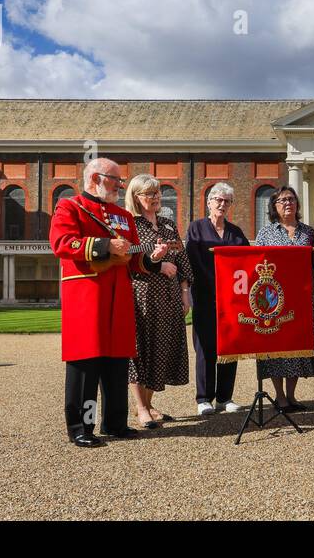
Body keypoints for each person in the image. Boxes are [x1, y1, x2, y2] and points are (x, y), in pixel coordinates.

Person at [51, 158, 171, 447]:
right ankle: (83, 427)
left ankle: (115, 422)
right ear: (95, 178)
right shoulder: (70, 206)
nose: (120, 185)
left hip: (119, 296)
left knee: (117, 361)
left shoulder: (123, 216)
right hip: (87, 295)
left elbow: (131, 259)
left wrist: (151, 259)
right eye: (115, 180)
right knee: (87, 362)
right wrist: (104, 245)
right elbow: (62, 242)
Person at [124, 174, 194, 428]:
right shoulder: (131, 224)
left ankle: (149, 403)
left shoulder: (167, 224)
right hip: (142, 295)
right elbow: (130, 261)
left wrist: (185, 292)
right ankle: (140, 407)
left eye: (157, 193)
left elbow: (182, 259)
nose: (155, 198)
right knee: (140, 348)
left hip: (169, 295)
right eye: (149, 193)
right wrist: (158, 264)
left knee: (161, 348)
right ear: (136, 197)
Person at [254, 185, 314, 412]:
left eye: (291, 199)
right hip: (274, 298)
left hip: (301, 296)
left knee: (298, 343)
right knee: (277, 345)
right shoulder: (266, 233)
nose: (287, 203)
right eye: (281, 200)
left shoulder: (308, 232)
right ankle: (279, 395)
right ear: (274, 206)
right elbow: (257, 265)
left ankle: (291, 395)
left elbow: (313, 265)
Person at [187, 182, 249, 415]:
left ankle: (225, 397)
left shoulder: (236, 232)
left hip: (231, 301)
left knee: (228, 347)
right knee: (206, 348)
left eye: (227, 201)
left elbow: (244, 263)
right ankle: (204, 398)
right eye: (218, 200)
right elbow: (194, 261)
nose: (222, 204)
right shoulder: (196, 228)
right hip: (205, 297)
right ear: (209, 202)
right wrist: (216, 284)